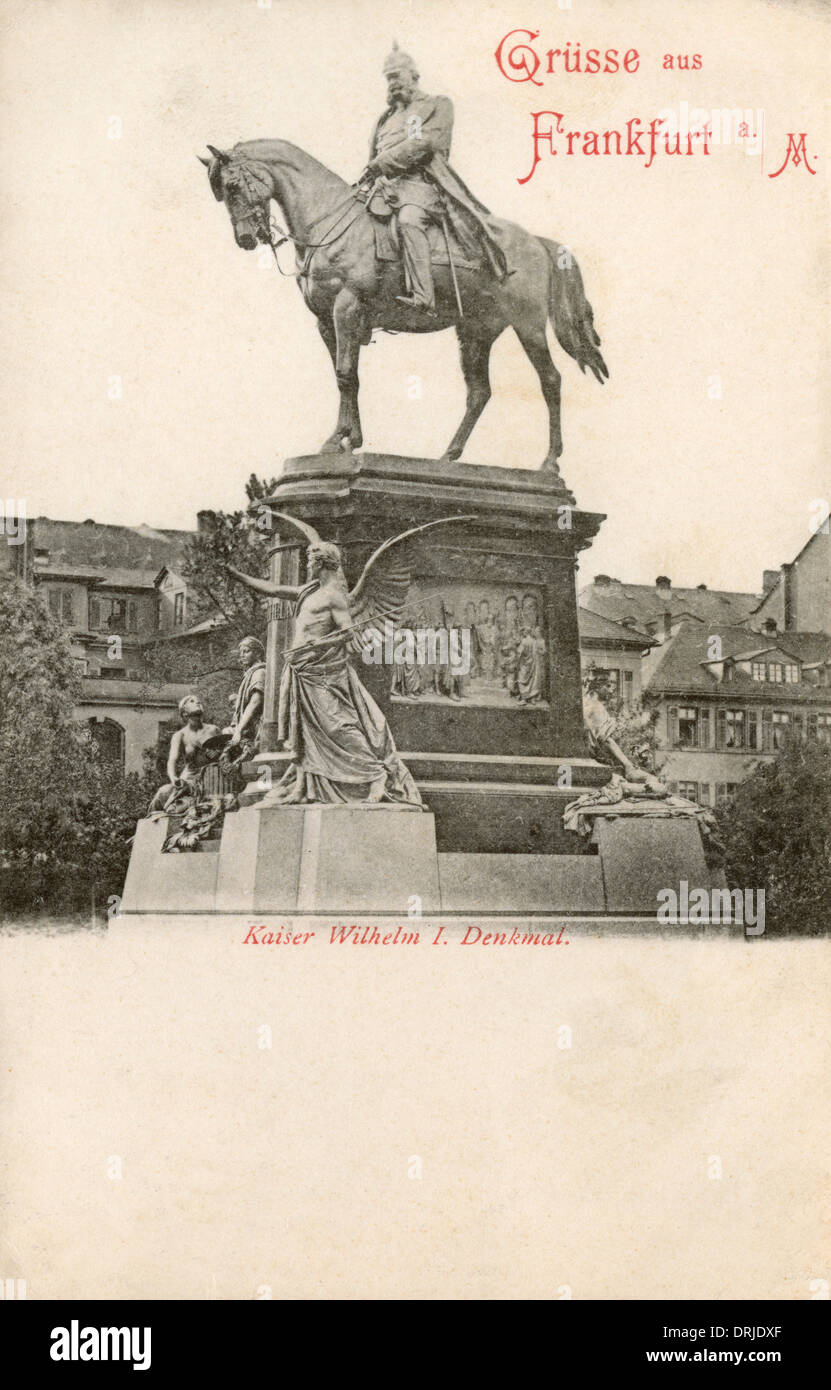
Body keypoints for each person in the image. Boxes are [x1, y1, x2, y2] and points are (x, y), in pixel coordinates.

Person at [263, 541, 422, 805]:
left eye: (310, 561)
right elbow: (273, 588)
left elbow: (348, 633)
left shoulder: (334, 596)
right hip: (303, 670)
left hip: (323, 670)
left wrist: (320, 643)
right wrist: (235, 574)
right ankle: (309, 785)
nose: (307, 565)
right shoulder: (309, 592)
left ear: (321, 563)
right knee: (307, 733)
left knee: (339, 727)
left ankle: (376, 775)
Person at [360, 44, 509, 314]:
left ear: (414, 75)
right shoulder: (385, 119)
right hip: (385, 189)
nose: (392, 83)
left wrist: (381, 163)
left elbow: (424, 143)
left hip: (423, 188)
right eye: (388, 78)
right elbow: (374, 155)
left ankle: (423, 297)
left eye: (397, 76)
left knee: (408, 220)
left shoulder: (437, 105)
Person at [149, 696, 220, 812]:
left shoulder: (214, 730)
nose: (197, 702)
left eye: (198, 701)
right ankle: (151, 822)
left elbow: (226, 754)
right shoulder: (180, 735)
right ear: (184, 713)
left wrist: (218, 753)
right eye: (191, 701)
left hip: (211, 779)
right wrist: (173, 777)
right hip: (188, 780)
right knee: (163, 792)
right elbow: (172, 760)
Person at [223, 635, 266, 756]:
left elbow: (255, 702)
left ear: (258, 654)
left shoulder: (260, 672)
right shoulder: (250, 674)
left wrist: (239, 730)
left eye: (246, 651)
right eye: (241, 652)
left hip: (256, 728)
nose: (242, 655)